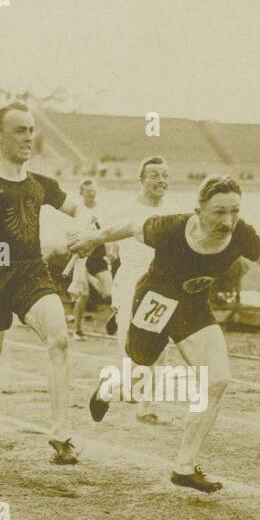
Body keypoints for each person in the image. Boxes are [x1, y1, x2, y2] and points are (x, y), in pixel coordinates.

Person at [71, 176, 260, 493]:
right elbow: (132, 226)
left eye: (234, 211)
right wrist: (93, 239)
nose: (227, 221)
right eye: (219, 212)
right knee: (138, 381)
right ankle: (111, 387)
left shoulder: (241, 233)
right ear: (199, 209)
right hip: (155, 300)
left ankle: (184, 467)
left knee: (217, 380)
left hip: (193, 306)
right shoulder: (172, 228)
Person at [0, 102, 94, 465]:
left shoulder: (41, 185)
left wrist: (85, 225)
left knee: (59, 340)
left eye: (31, 130)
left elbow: (81, 208)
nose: (29, 137)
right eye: (20, 130)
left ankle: (60, 436)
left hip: (31, 274)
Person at [74, 156, 171, 423]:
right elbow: (94, 236)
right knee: (136, 358)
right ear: (141, 180)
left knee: (160, 349)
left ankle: (146, 407)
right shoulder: (126, 208)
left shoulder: (174, 210)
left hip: (162, 287)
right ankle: (109, 390)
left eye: (164, 175)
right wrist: (78, 273)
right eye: (154, 175)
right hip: (131, 283)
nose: (160, 180)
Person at [62, 179, 114, 338]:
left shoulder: (103, 209)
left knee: (110, 293)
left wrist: (111, 250)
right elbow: (69, 234)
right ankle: (77, 330)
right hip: (80, 256)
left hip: (97, 255)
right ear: (81, 193)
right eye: (88, 191)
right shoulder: (77, 210)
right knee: (83, 294)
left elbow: (110, 231)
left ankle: (114, 318)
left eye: (94, 190)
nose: (91, 194)